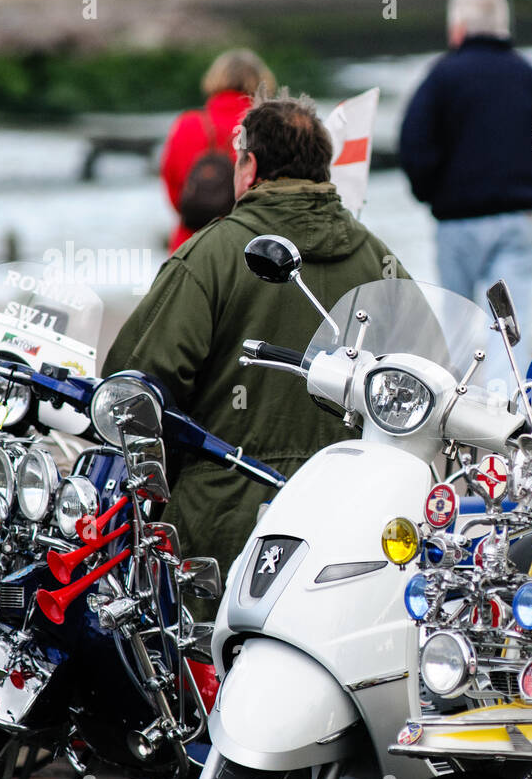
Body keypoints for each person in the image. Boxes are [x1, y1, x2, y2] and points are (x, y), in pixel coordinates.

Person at [106, 89, 409, 619]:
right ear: (324, 167)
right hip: (348, 524)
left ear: (249, 166)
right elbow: (425, 382)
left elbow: (131, 383)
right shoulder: (380, 259)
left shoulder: (210, 254)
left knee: (201, 687)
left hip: (221, 529)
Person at [398, 0, 532, 325]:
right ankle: (504, 380)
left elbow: (413, 145)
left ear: (458, 29)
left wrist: (431, 192)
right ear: (503, 27)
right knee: (511, 329)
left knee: (456, 325)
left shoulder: (441, 78)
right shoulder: (530, 76)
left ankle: (458, 379)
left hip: (457, 221)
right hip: (519, 217)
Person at [159, 49, 276, 253]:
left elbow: (172, 185)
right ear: (261, 81)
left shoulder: (187, 123)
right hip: (251, 245)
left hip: (190, 244)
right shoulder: (270, 126)